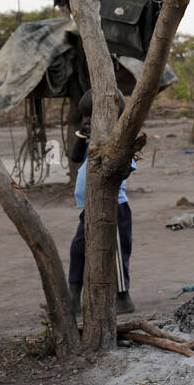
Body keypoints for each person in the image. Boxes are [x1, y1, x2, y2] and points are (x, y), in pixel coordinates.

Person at [67, 89, 136, 316]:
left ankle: (122, 297)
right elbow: (75, 157)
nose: (87, 121)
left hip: (114, 206)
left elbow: (124, 170)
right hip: (89, 208)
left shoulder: (120, 141)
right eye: (84, 116)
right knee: (78, 249)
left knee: (116, 253)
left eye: (91, 116)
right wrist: (81, 134)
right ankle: (74, 295)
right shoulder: (90, 138)